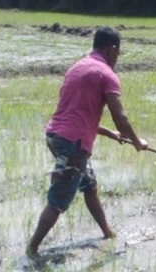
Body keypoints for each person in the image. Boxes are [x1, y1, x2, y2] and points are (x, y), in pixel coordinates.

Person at [27, 26, 148, 258]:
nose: (117, 59)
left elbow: (77, 116)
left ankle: (107, 232)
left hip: (56, 136)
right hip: (73, 144)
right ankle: (32, 248)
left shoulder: (77, 68)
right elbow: (121, 117)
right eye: (118, 54)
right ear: (112, 49)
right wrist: (136, 141)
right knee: (59, 199)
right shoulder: (107, 74)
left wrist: (111, 134)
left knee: (89, 186)